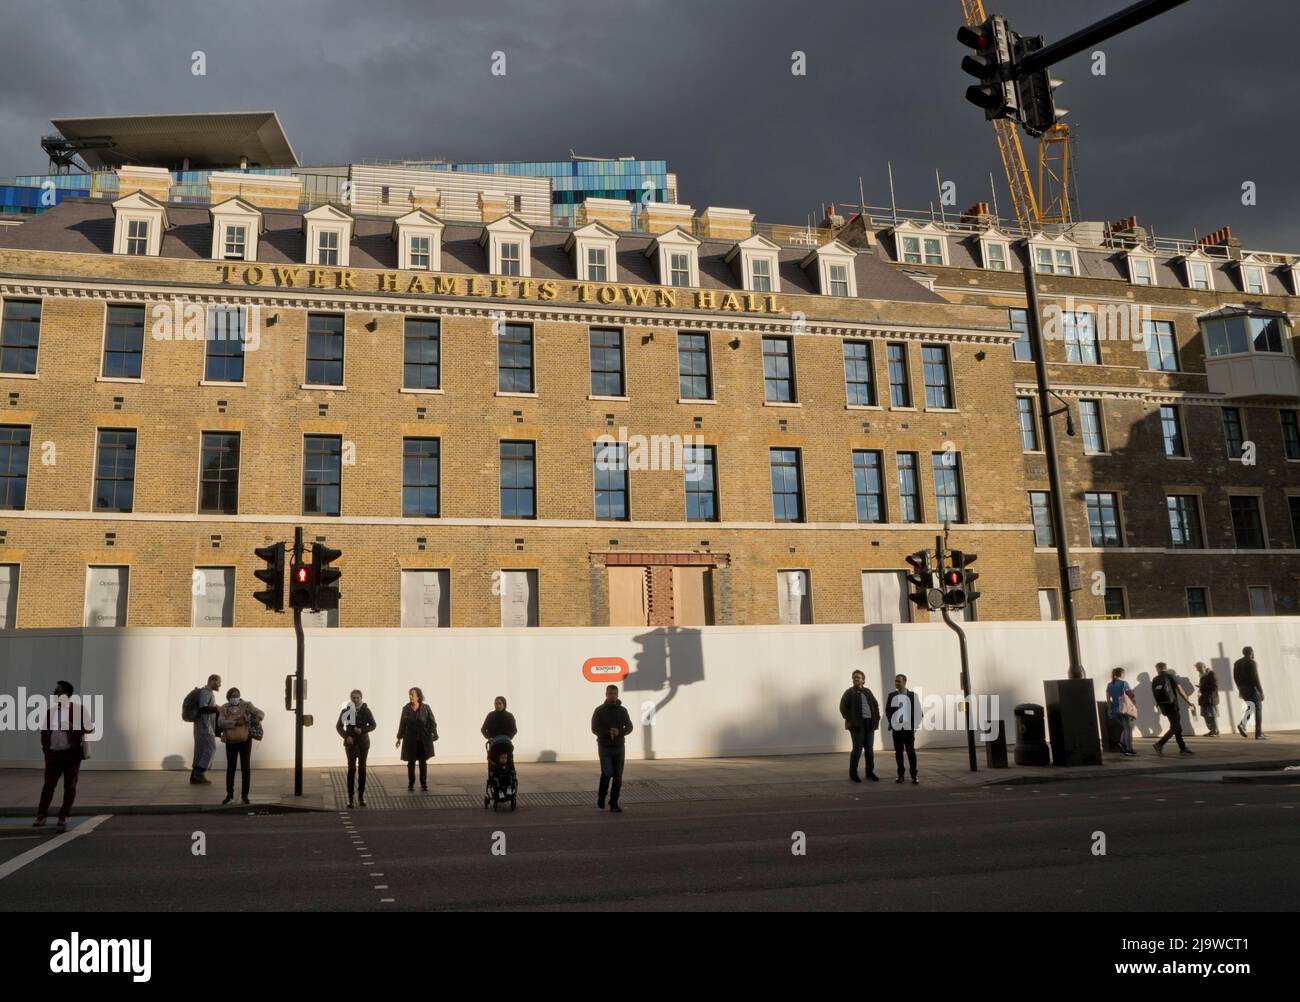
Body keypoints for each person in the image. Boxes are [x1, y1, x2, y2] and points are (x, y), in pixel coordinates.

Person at [34, 680, 94, 831]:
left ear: (66, 694)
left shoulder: (80, 710)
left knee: (70, 786)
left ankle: (63, 815)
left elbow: (90, 729)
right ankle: (41, 815)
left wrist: (74, 726)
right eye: (55, 691)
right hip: (53, 755)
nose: (54, 693)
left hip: (71, 755)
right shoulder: (51, 711)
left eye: (57, 691)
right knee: (48, 786)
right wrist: (47, 751)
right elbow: (45, 733)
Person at [217, 687, 264, 805]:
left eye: (237, 695)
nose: (235, 698)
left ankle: (245, 796)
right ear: (228, 698)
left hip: (245, 740)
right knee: (231, 768)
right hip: (231, 741)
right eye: (233, 696)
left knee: (245, 768)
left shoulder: (247, 705)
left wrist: (257, 718)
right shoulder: (224, 708)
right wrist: (235, 723)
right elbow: (220, 722)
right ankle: (229, 795)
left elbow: (261, 713)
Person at [591, 684, 633, 813]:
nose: (612, 695)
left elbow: (629, 727)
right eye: (610, 693)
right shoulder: (599, 710)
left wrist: (619, 732)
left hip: (619, 746)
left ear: (618, 695)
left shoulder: (623, 710)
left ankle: (614, 803)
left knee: (618, 776)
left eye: (614, 693)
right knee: (607, 773)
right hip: (604, 747)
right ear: (606, 694)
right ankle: (601, 798)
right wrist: (607, 732)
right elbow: (594, 728)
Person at [337, 690, 377, 809]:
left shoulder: (366, 710)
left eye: (357, 698)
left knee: (362, 769)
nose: (355, 700)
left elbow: (373, 725)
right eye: (353, 698)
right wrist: (346, 736)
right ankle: (350, 797)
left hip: (363, 743)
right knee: (351, 769)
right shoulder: (346, 711)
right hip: (351, 744)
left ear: (361, 698)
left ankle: (361, 796)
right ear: (350, 699)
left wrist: (363, 730)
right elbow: (338, 726)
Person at [838, 670, 880, 782]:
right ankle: (853, 773)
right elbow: (843, 708)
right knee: (857, 750)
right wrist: (852, 720)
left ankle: (869, 772)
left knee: (869, 750)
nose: (856, 679)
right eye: (854, 677)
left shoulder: (868, 692)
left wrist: (876, 718)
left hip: (869, 724)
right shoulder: (849, 692)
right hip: (857, 726)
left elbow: (875, 705)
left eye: (858, 677)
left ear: (863, 680)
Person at [396, 687, 437, 791]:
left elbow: (433, 723)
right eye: (409, 694)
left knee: (423, 763)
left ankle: (424, 783)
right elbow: (402, 724)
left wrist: (433, 733)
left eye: (412, 695)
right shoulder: (406, 709)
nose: (410, 697)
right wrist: (399, 738)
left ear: (418, 696)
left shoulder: (426, 708)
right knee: (411, 763)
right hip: (410, 740)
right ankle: (411, 783)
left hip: (423, 741)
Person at [884, 674, 920, 785]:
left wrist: (913, 726)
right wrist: (893, 722)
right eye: (895, 681)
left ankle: (914, 776)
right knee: (898, 752)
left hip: (908, 729)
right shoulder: (891, 696)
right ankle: (900, 775)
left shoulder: (912, 695)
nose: (896, 683)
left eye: (898, 681)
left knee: (911, 752)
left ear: (905, 682)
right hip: (897, 729)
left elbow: (919, 713)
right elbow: (888, 711)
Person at [1151, 662, 1194, 756]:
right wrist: (1188, 701)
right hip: (1172, 704)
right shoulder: (1171, 676)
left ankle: (1183, 748)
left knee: (1177, 727)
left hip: (1163, 706)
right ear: (1165, 667)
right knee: (1175, 727)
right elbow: (1180, 690)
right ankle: (1159, 744)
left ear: (1158, 668)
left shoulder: (1155, 679)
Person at [190, 674, 222, 785]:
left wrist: (217, 707)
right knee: (210, 749)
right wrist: (217, 708)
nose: (220, 684)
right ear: (212, 681)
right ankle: (198, 773)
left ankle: (195, 777)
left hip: (203, 727)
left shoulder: (208, 693)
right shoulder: (205, 692)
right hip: (204, 727)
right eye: (219, 682)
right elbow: (202, 708)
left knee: (200, 751)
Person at [1233, 646, 1265, 739]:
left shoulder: (1237, 663)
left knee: (1251, 707)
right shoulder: (1252, 662)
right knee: (1258, 708)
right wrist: (1261, 691)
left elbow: (1235, 678)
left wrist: (1240, 689)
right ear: (1251, 652)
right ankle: (1259, 733)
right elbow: (1255, 678)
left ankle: (1242, 724)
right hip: (1252, 689)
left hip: (1243, 689)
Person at [1105, 667, 1138, 756]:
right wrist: (1132, 692)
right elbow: (1130, 695)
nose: (1125, 675)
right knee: (1128, 730)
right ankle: (1129, 749)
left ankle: (1122, 743)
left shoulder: (1109, 685)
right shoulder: (1124, 683)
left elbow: (1108, 699)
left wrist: (1109, 710)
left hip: (1115, 710)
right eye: (1124, 673)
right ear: (1121, 674)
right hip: (1125, 709)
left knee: (1126, 728)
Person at [480, 696, 518, 763]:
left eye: (500, 703)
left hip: (505, 742)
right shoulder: (490, 715)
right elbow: (483, 729)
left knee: (508, 756)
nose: (497, 705)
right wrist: (489, 737)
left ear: (504, 704)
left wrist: (509, 737)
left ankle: (511, 770)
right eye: (496, 704)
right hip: (494, 742)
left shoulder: (509, 716)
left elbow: (514, 730)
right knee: (493, 757)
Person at [1195, 662, 1220, 737]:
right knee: (1205, 715)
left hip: (1210, 698)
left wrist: (1203, 687)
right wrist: (1201, 687)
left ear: (1204, 667)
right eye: (1197, 669)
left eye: (1199, 668)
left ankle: (1215, 730)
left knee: (1212, 715)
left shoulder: (1211, 674)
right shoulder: (1202, 675)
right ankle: (1212, 730)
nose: (1198, 670)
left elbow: (1215, 686)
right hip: (1204, 698)